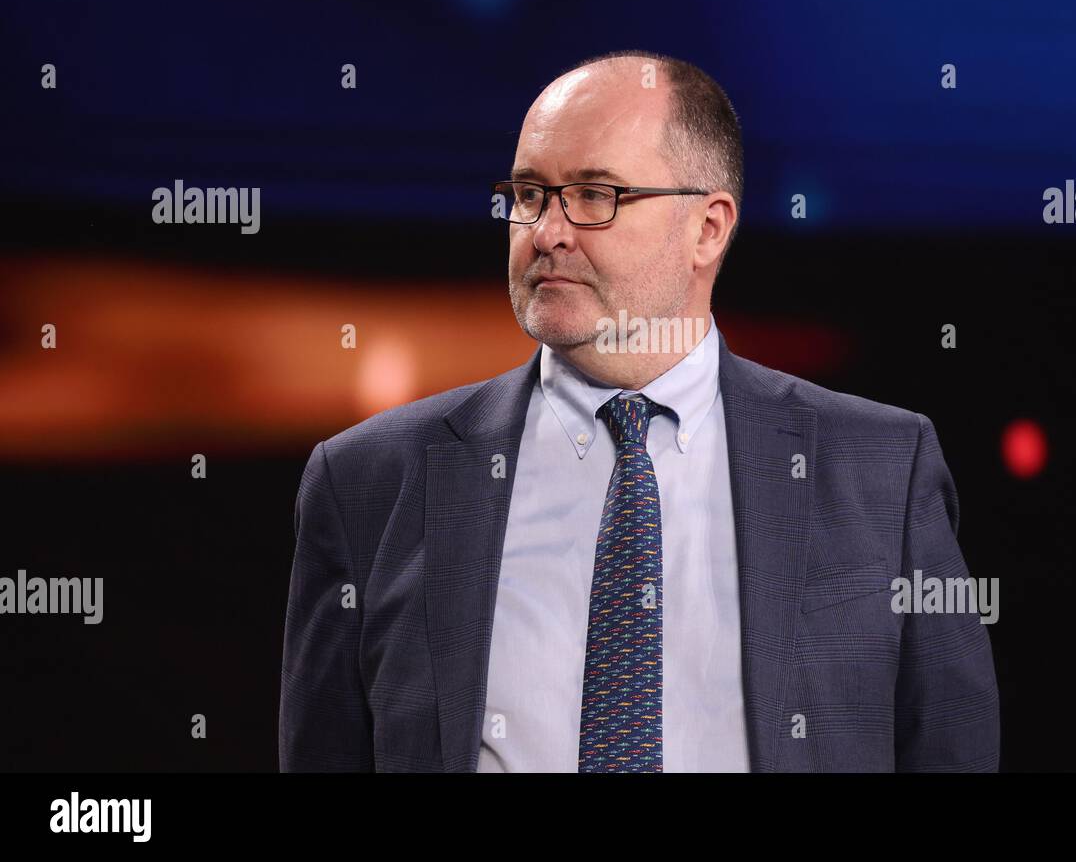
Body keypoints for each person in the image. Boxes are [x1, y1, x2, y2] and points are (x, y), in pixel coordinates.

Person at [279, 50, 999, 772]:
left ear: (708, 228)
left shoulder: (882, 468)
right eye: (530, 194)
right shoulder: (367, 480)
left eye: (596, 195)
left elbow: (951, 748)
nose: (547, 232)